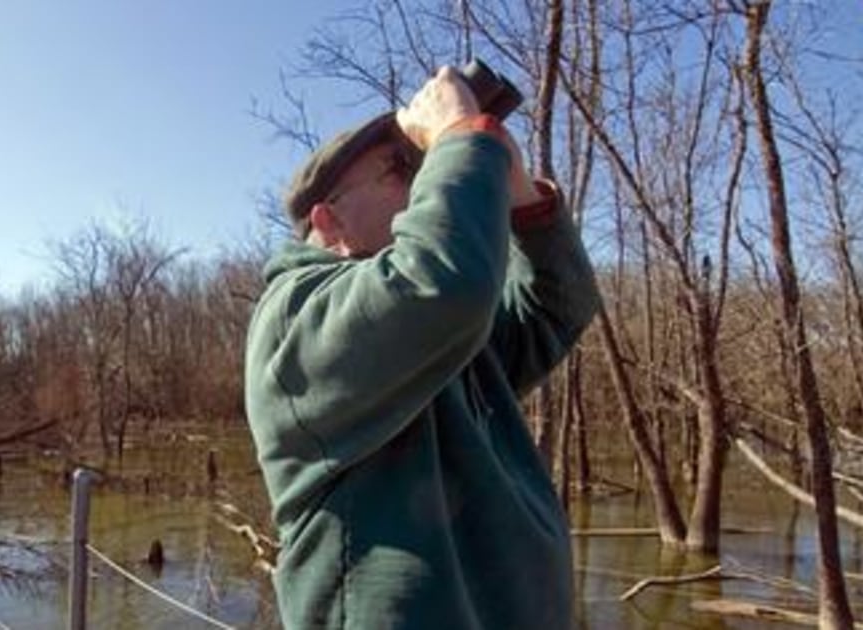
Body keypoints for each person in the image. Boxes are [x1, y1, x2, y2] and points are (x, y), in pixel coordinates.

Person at [244, 66, 600, 629]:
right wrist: (461, 138)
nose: (426, 174)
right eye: (401, 168)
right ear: (328, 219)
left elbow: (558, 307)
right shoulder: (297, 314)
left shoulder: (437, 334)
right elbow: (442, 283)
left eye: (425, 161)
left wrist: (516, 189)